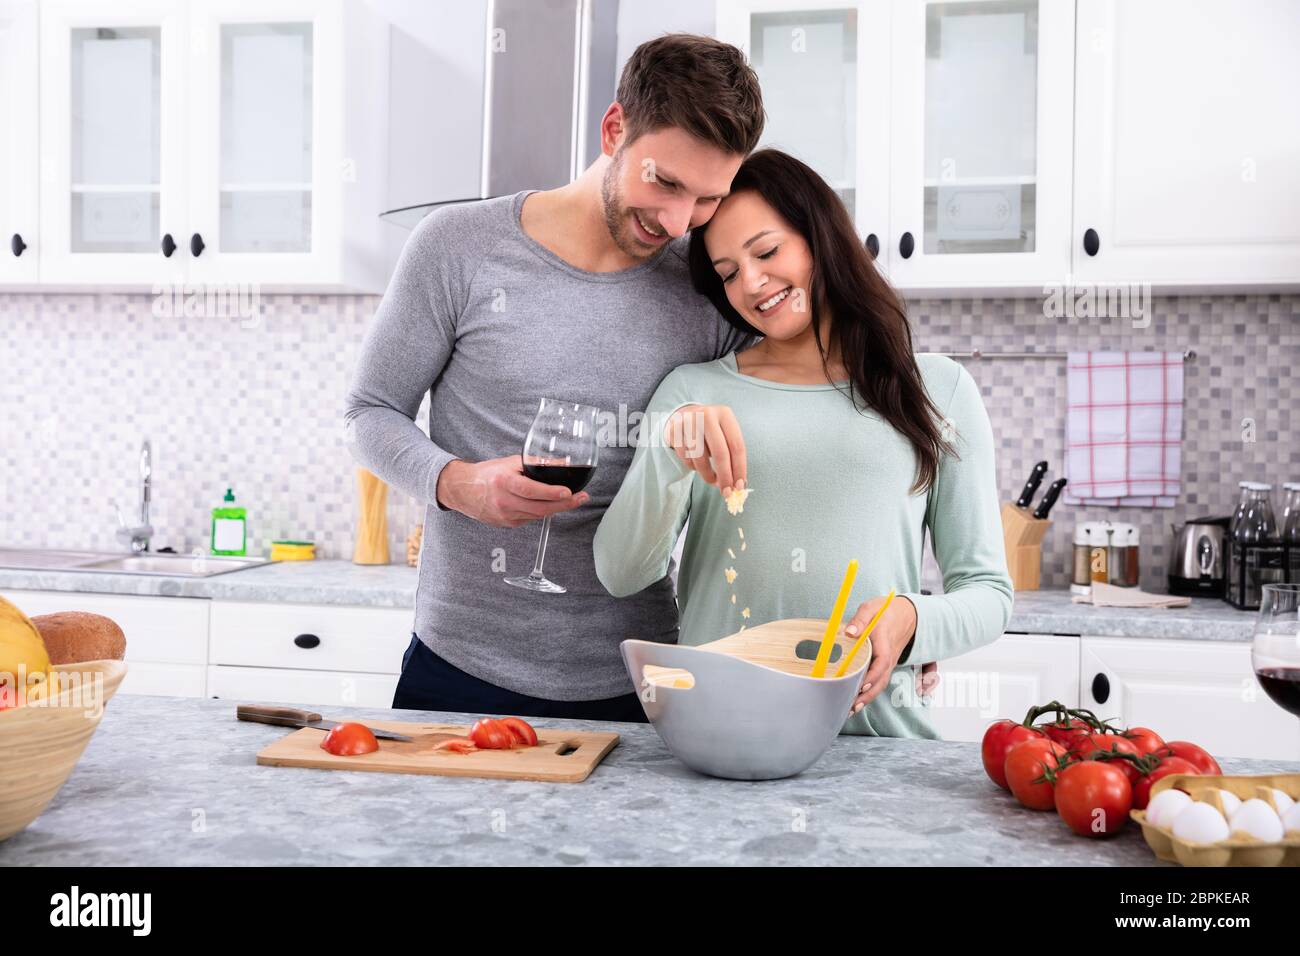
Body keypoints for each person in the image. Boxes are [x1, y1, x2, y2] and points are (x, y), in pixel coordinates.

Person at [343, 35, 765, 721]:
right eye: (664, 181)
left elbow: (808, 415)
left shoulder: (707, 286)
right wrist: (457, 484)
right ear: (614, 129)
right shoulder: (458, 246)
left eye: (707, 199)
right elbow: (368, 412)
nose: (678, 220)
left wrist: (896, 627)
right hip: (458, 669)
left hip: (642, 679)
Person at [593, 149, 1013, 737]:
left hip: (875, 740)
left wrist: (912, 619)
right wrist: (667, 453)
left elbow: (989, 595)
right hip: (719, 735)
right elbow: (620, 572)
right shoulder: (693, 392)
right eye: (728, 272)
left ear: (821, 237)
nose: (752, 283)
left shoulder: (936, 388)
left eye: (766, 252)